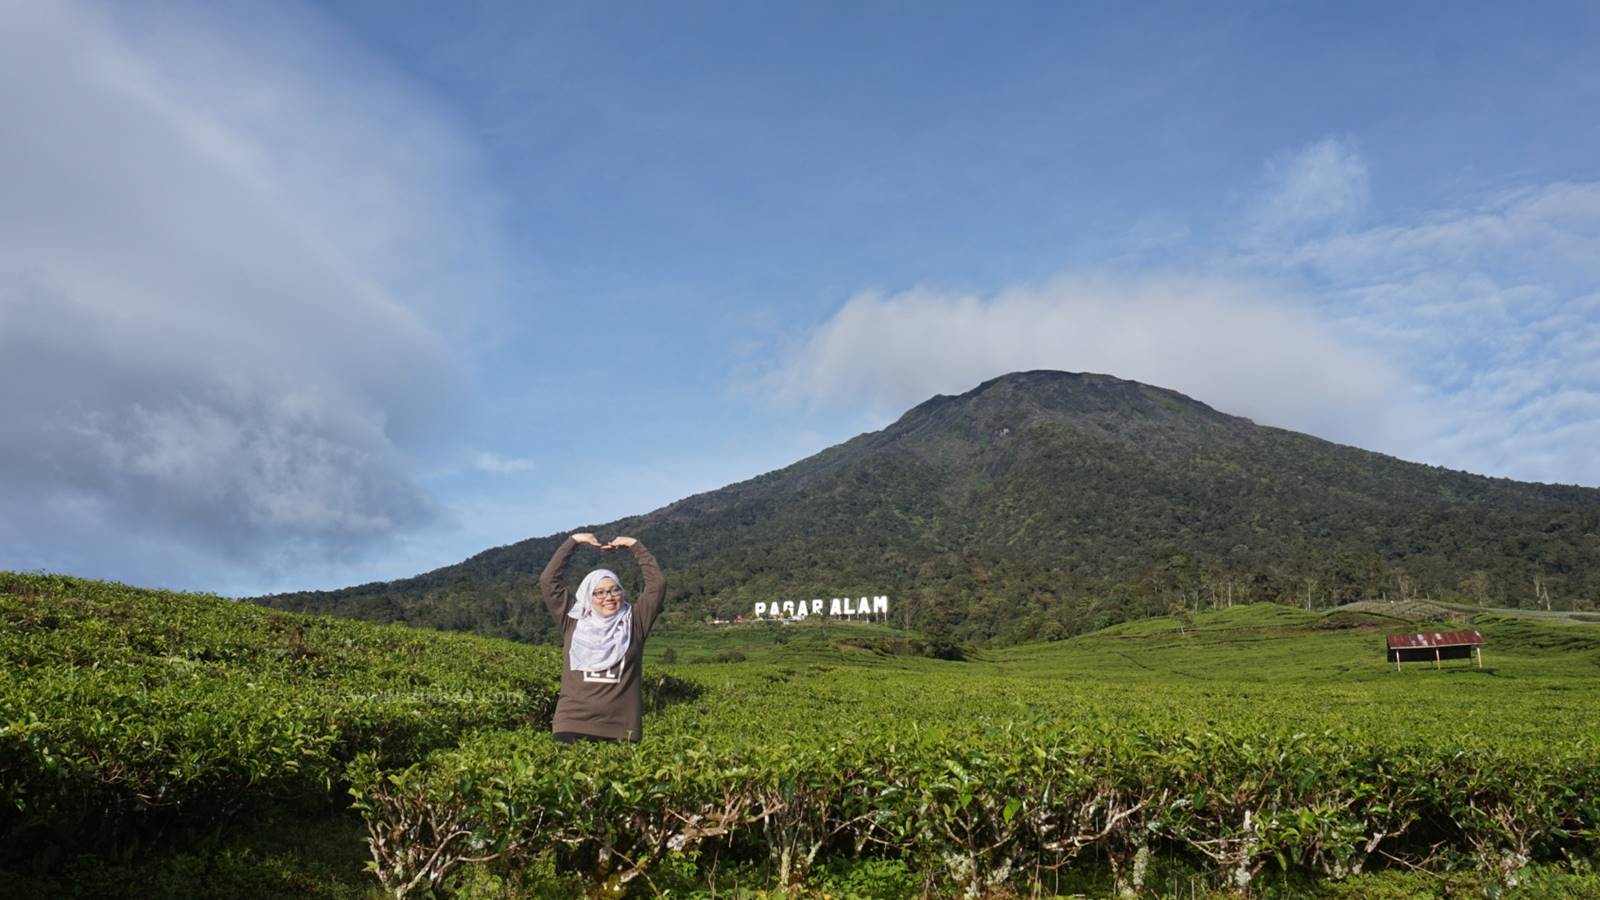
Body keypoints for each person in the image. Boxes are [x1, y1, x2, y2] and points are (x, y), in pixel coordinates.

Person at [539, 532, 666, 743]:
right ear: (589, 597)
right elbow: (548, 581)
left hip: (622, 731)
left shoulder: (635, 621)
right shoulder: (573, 619)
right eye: (599, 592)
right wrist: (573, 542)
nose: (608, 597)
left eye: (615, 590)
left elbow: (657, 585)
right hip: (571, 724)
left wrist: (635, 545)